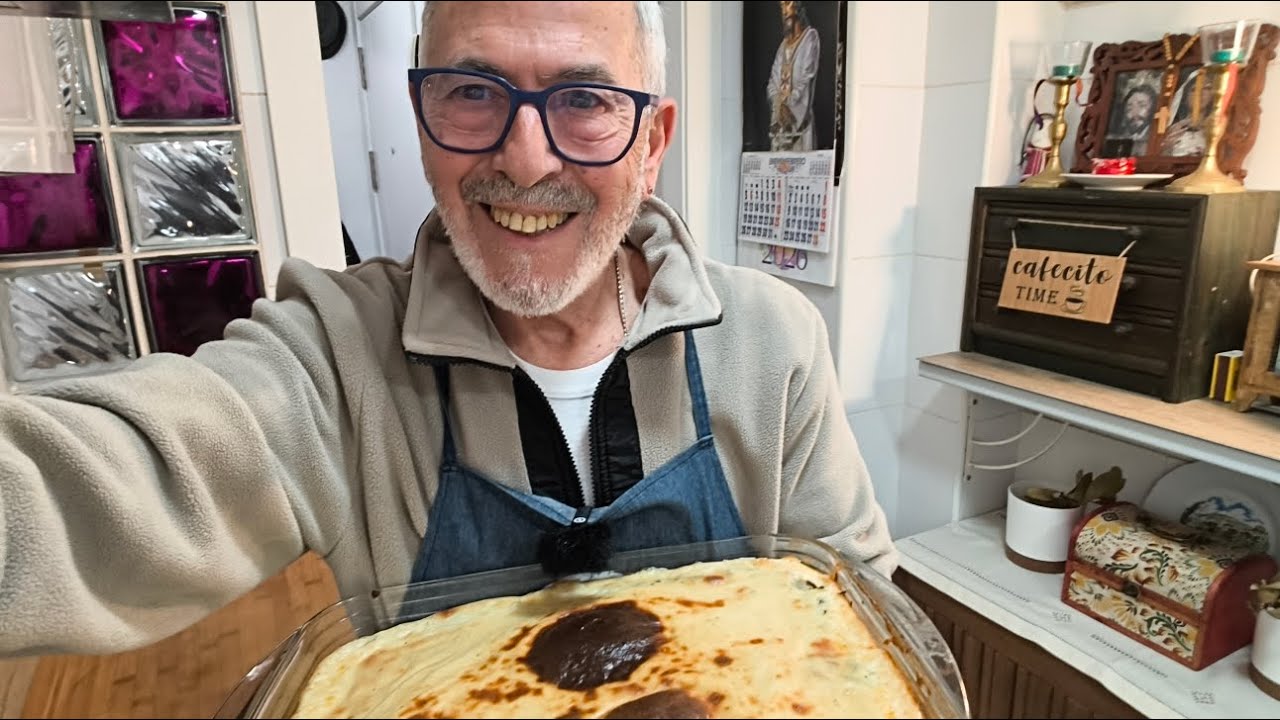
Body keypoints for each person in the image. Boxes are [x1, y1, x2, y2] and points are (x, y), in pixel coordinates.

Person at [0, 1, 894, 657]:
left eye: (584, 98)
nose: (527, 156)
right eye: (474, 90)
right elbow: (82, 487)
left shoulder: (771, 343)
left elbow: (858, 615)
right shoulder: (334, 359)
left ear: (651, 140)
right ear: (421, 121)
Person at [767, 0, 821, 152]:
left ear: (799, 6)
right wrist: (779, 106)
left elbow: (807, 79)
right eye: (782, 6)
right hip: (781, 127)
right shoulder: (783, 46)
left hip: (799, 124)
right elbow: (773, 81)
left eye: (788, 4)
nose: (784, 11)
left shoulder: (810, 38)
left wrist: (789, 106)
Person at [1107, 83, 1158, 155]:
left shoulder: (1158, 138)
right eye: (1129, 107)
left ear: (1153, 109)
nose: (1134, 112)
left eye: (1142, 105)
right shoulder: (1115, 139)